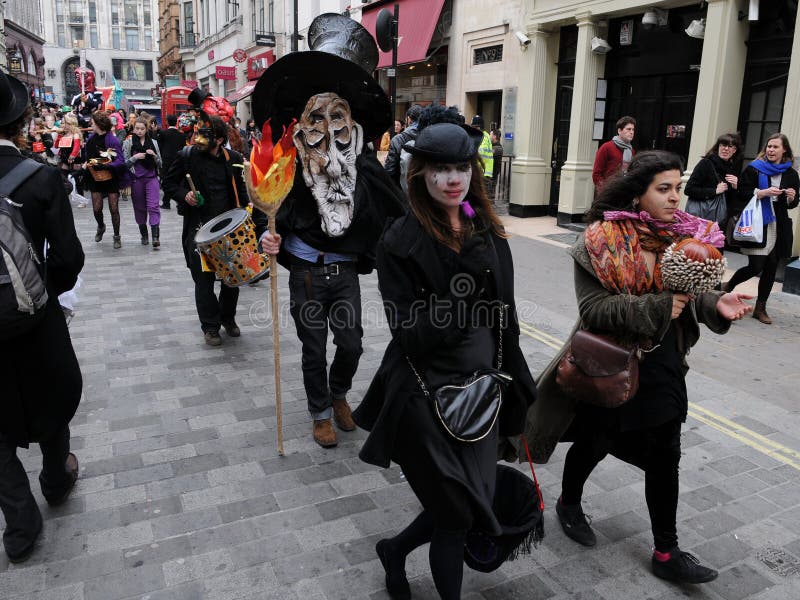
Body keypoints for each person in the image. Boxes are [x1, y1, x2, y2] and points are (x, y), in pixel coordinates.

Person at [523, 150, 753, 585]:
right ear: (636, 194)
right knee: (596, 439)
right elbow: (594, 310)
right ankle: (568, 502)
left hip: (663, 363)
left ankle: (666, 550)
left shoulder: (680, 238)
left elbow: (691, 295)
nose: (675, 198)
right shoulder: (599, 242)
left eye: (677, 188)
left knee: (667, 454)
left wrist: (716, 303)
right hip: (610, 361)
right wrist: (659, 307)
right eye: (663, 189)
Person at [352, 123, 536, 599]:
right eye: (440, 169)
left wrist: (517, 381)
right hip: (425, 397)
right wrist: (462, 285)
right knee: (454, 516)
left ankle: (395, 550)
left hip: (482, 394)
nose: (453, 179)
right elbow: (411, 336)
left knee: (465, 505)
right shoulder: (400, 240)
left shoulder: (485, 230)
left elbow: (506, 315)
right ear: (421, 174)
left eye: (461, 167)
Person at [254, 13, 405, 448]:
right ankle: (320, 412)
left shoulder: (363, 165)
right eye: (317, 128)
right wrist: (268, 236)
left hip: (344, 272)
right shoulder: (290, 161)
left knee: (352, 344)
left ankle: (338, 393)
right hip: (305, 270)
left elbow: (397, 211)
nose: (333, 160)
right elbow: (265, 204)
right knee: (313, 347)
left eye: (339, 127)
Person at [0, 70, 85, 564]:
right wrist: (43, 293)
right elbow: (69, 258)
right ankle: (55, 478)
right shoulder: (41, 177)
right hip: (37, 320)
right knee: (52, 395)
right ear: (20, 123)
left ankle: (20, 527)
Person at [163, 114, 266, 346]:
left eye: (205, 135)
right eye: (198, 133)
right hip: (199, 227)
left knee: (233, 277)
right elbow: (168, 183)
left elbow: (243, 193)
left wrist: (256, 219)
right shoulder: (186, 156)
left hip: (229, 229)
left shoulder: (234, 158)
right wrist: (184, 195)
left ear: (219, 140)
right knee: (204, 280)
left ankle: (228, 318)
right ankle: (210, 326)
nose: (198, 139)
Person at [722, 133, 799, 324]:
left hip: (779, 224)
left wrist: (791, 198)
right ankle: (728, 285)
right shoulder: (754, 168)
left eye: (775, 147)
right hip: (759, 222)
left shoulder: (791, 174)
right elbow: (741, 193)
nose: (771, 150)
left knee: (771, 266)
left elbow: (793, 203)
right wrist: (760, 193)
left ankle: (760, 307)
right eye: (769, 146)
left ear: (784, 150)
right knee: (756, 266)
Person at [83, 110, 126, 248]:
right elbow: (88, 157)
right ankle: (101, 226)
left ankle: (117, 236)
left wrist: (107, 166)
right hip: (95, 177)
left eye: (92, 123)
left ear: (98, 125)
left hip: (110, 177)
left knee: (114, 208)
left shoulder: (112, 140)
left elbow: (120, 160)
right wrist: (87, 164)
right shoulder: (91, 139)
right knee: (96, 208)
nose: (91, 125)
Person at [684, 132, 741, 228]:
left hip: (720, 220)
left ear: (734, 150)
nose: (726, 149)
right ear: (718, 147)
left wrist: (735, 187)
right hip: (701, 218)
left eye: (730, 146)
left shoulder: (732, 168)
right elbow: (689, 189)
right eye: (723, 145)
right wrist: (714, 191)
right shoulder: (706, 163)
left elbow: (730, 200)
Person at [123, 117, 162, 249]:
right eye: (137, 128)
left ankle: (155, 237)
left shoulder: (154, 143)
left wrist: (154, 156)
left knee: (153, 206)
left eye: (142, 129)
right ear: (133, 129)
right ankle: (144, 234)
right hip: (136, 180)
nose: (139, 131)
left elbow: (160, 164)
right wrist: (135, 157)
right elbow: (125, 164)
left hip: (151, 178)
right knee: (139, 208)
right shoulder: (128, 143)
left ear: (146, 130)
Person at [593, 116, 636, 191]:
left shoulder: (631, 151)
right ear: (619, 131)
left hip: (624, 190)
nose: (631, 132)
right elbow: (596, 174)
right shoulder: (606, 147)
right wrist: (605, 190)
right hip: (608, 191)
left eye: (633, 129)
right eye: (628, 129)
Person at [385, 104, 422, 188]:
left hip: (402, 188)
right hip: (425, 189)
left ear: (409, 119)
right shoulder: (429, 136)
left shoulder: (397, 139)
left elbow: (390, 170)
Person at [158, 114, 186, 209]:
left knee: (167, 181)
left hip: (166, 161)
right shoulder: (182, 135)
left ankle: (166, 202)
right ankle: (179, 201)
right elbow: (183, 148)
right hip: (178, 160)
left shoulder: (163, 133)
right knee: (178, 181)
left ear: (167, 122)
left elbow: (159, 148)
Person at [470, 115, 494, 183]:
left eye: (473, 127)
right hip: (484, 171)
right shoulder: (486, 135)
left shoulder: (481, 136)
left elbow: (481, 152)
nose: (472, 129)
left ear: (478, 127)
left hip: (481, 172)